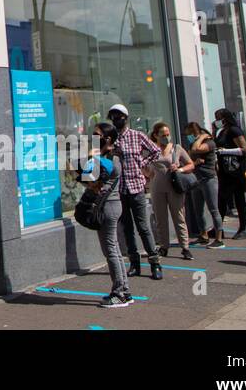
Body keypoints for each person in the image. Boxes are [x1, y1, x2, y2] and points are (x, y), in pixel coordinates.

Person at [106, 104, 162, 279]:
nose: (116, 120)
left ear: (126, 118)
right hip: (120, 189)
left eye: (119, 116)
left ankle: (155, 263)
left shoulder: (137, 136)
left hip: (136, 187)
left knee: (143, 227)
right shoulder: (111, 139)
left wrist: (141, 164)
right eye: (113, 117)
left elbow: (156, 151)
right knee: (127, 228)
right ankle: (134, 263)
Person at [83, 122, 133, 308]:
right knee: (115, 250)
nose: (93, 137)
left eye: (97, 135)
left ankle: (119, 293)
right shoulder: (109, 156)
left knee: (110, 250)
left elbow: (86, 176)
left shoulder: (109, 158)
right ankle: (124, 291)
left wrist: (90, 158)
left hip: (108, 207)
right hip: (111, 205)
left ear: (108, 138)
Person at [148, 121, 194, 260]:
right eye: (163, 135)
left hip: (174, 186)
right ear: (156, 135)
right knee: (160, 218)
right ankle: (164, 246)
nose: (166, 137)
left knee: (179, 216)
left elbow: (190, 164)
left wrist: (179, 169)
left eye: (168, 134)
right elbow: (147, 170)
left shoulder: (176, 148)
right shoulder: (151, 149)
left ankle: (185, 247)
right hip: (157, 187)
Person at [185, 121, 225, 248]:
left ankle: (219, 238)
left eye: (189, 134)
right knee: (198, 210)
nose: (188, 137)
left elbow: (196, 149)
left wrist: (201, 137)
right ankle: (203, 236)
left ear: (194, 132)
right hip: (197, 179)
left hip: (209, 179)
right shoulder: (193, 143)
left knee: (213, 209)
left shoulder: (209, 142)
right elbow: (190, 154)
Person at [214, 109, 246, 239]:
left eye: (218, 117)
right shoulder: (222, 132)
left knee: (239, 198)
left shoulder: (234, 130)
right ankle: (219, 229)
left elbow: (244, 149)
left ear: (225, 118)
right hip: (224, 171)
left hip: (235, 170)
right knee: (222, 199)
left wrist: (225, 151)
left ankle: (243, 229)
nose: (216, 120)